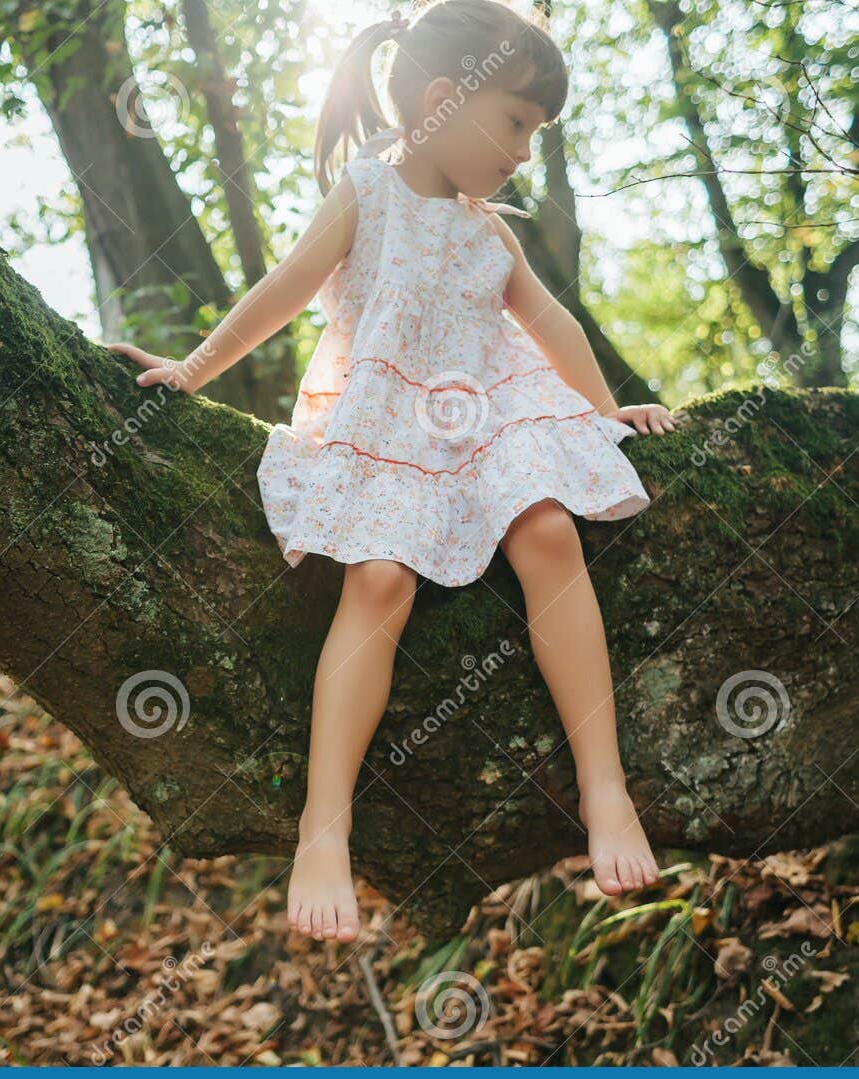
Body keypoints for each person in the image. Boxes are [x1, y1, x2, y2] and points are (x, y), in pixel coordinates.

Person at [108, 0, 675, 944]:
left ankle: (604, 785)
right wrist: (194, 369)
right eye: (515, 123)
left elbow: (553, 327)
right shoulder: (366, 194)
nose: (524, 152)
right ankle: (321, 830)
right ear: (446, 100)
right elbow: (282, 290)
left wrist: (604, 410)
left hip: (490, 420)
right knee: (376, 579)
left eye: (535, 132)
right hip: (387, 432)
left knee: (547, 529)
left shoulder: (491, 233)